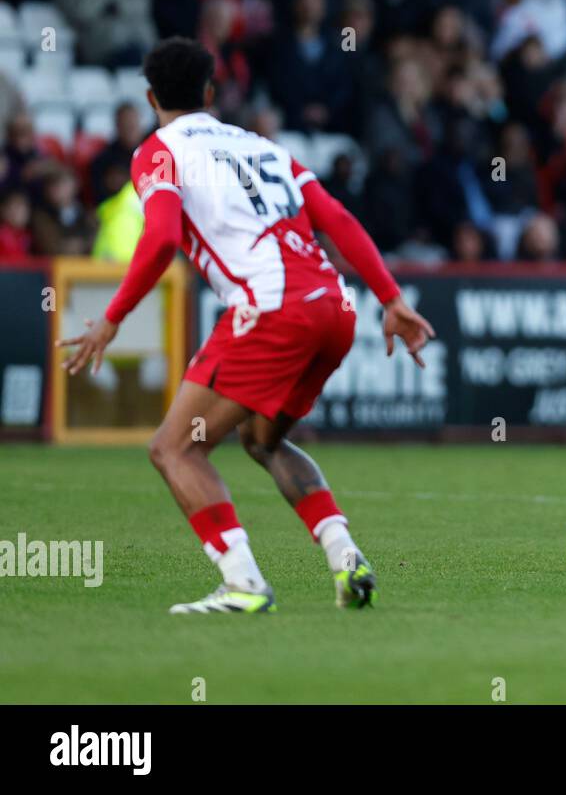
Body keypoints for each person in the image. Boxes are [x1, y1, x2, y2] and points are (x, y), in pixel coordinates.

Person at [58, 38, 434, 613]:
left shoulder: (158, 151)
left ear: (151, 95)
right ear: (211, 93)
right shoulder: (263, 146)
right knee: (261, 440)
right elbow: (336, 217)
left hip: (272, 308)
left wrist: (111, 320)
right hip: (332, 306)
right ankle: (346, 558)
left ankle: (243, 584)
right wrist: (390, 297)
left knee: (174, 449)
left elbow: (159, 237)